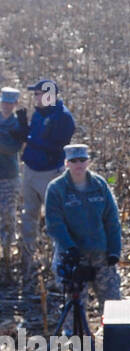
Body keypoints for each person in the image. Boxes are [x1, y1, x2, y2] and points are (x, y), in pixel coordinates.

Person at [19, 79, 76, 296]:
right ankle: (27, 261)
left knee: (55, 221)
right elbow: (32, 138)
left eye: (39, 93)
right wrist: (25, 132)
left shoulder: (63, 118)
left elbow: (57, 147)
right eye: (34, 94)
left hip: (50, 174)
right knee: (29, 215)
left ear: (50, 94)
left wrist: (29, 139)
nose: (35, 97)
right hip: (30, 171)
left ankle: (59, 268)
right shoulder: (38, 114)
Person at [44, 144, 121, 303]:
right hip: (73, 256)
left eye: (82, 160)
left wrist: (114, 250)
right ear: (66, 163)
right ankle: (72, 329)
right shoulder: (56, 189)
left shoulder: (100, 185)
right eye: (73, 161)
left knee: (112, 302)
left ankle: (110, 329)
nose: (78, 164)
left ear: (88, 162)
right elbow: (54, 224)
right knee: (74, 304)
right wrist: (70, 248)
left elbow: (112, 220)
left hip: (101, 253)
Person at [0, 87, 26, 281]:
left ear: (15, 104)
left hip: (9, 178)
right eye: (4, 102)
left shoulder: (18, 124)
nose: (7, 106)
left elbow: (12, 147)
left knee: (9, 218)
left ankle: (8, 259)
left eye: (10, 103)